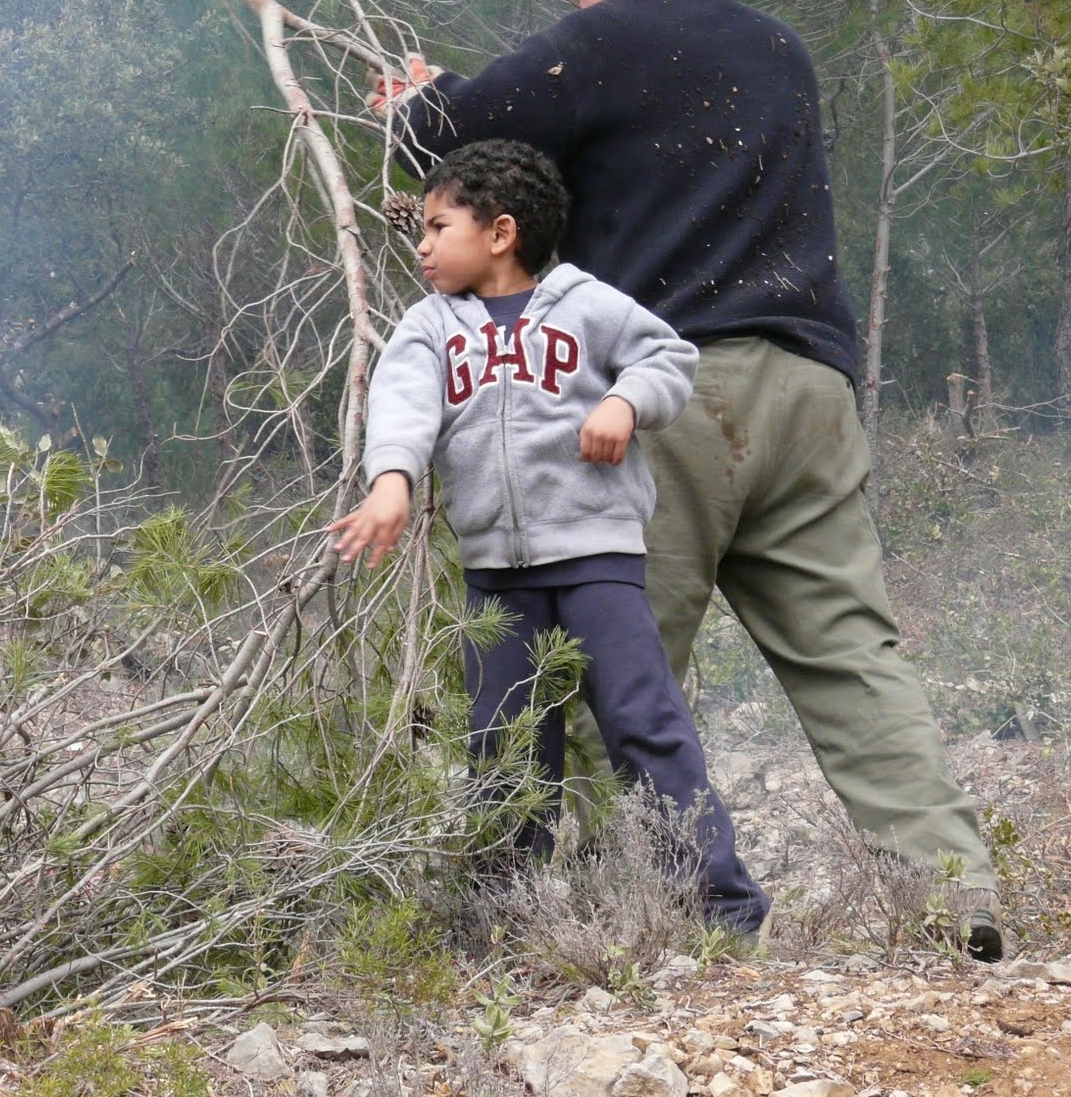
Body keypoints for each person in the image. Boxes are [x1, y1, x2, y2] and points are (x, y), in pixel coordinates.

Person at [368, 0, 1004, 961]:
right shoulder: (781, 49)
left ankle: (628, 928)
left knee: (592, 675)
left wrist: (410, 100)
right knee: (851, 654)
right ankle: (959, 898)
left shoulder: (606, 38)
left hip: (659, 399)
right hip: (810, 392)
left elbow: (447, 148)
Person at [328, 139, 770, 936]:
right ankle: (506, 919)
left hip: (598, 557)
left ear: (500, 233)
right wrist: (392, 478)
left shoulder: (585, 303)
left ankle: (722, 910)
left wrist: (626, 402)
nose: (421, 245)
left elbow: (668, 355)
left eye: (436, 226)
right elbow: (401, 406)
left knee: (643, 722)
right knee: (503, 747)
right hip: (495, 576)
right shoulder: (429, 327)